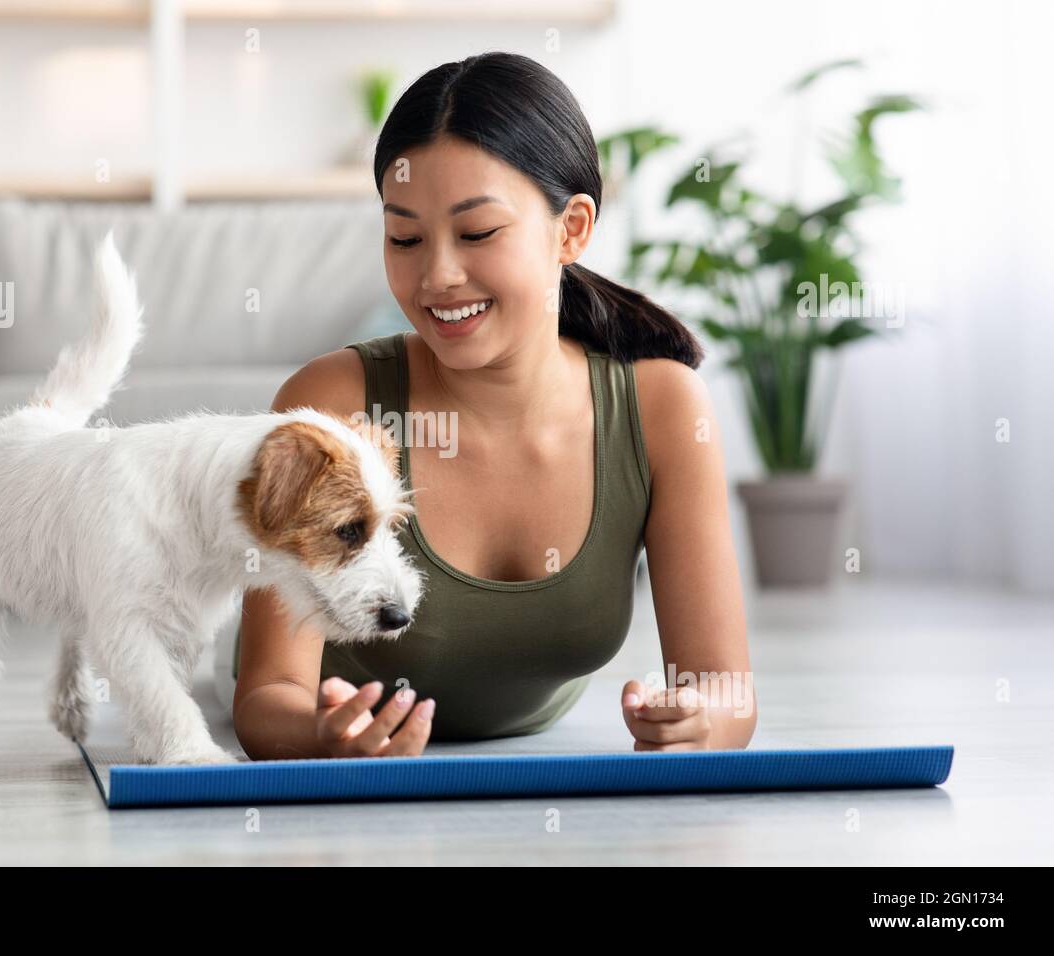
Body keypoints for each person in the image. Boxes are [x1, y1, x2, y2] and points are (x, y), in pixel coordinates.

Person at [227, 51, 755, 759]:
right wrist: (325, 737)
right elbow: (268, 702)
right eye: (404, 237)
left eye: (477, 233)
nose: (437, 276)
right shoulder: (331, 406)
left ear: (571, 229)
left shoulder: (662, 406)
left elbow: (725, 690)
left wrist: (696, 719)